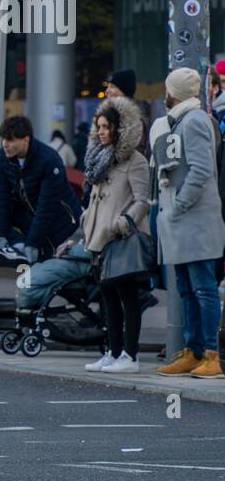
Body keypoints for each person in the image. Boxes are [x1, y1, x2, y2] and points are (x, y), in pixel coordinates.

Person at [62, 97, 150, 373]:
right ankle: (112, 352)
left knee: (128, 298)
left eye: (106, 126)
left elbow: (143, 200)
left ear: (118, 128)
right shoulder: (100, 158)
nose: (100, 131)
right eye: (98, 126)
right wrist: (87, 218)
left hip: (120, 238)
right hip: (99, 238)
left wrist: (124, 223)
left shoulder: (134, 160)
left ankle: (130, 355)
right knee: (107, 298)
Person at [149, 68, 224, 378]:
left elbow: (202, 169)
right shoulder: (183, 120)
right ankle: (194, 352)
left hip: (195, 219)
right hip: (182, 221)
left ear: (174, 92)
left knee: (203, 288)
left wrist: (178, 204)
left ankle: (210, 354)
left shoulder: (193, 121)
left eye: (167, 89)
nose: (164, 94)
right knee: (187, 288)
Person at [0, 114, 81, 268]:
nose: (5, 144)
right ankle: (17, 245)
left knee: (40, 278)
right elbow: (1, 197)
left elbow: (46, 209)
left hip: (58, 224)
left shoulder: (48, 160)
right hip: (30, 216)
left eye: (10, 140)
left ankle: (30, 252)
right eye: (3, 139)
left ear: (25, 139)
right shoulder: (4, 157)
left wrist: (32, 245)